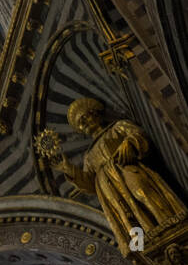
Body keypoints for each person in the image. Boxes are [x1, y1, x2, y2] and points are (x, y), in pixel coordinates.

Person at [44, 97, 187, 254]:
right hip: (109, 189)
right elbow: (90, 184)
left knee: (144, 193)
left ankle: (168, 223)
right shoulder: (89, 155)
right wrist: (69, 169)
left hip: (127, 170)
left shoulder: (118, 127)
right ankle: (144, 241)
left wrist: (129, 143)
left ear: (96, 114)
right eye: (81, 123)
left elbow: (138, 135)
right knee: (128, 216)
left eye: (86, 117)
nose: (85, 124)